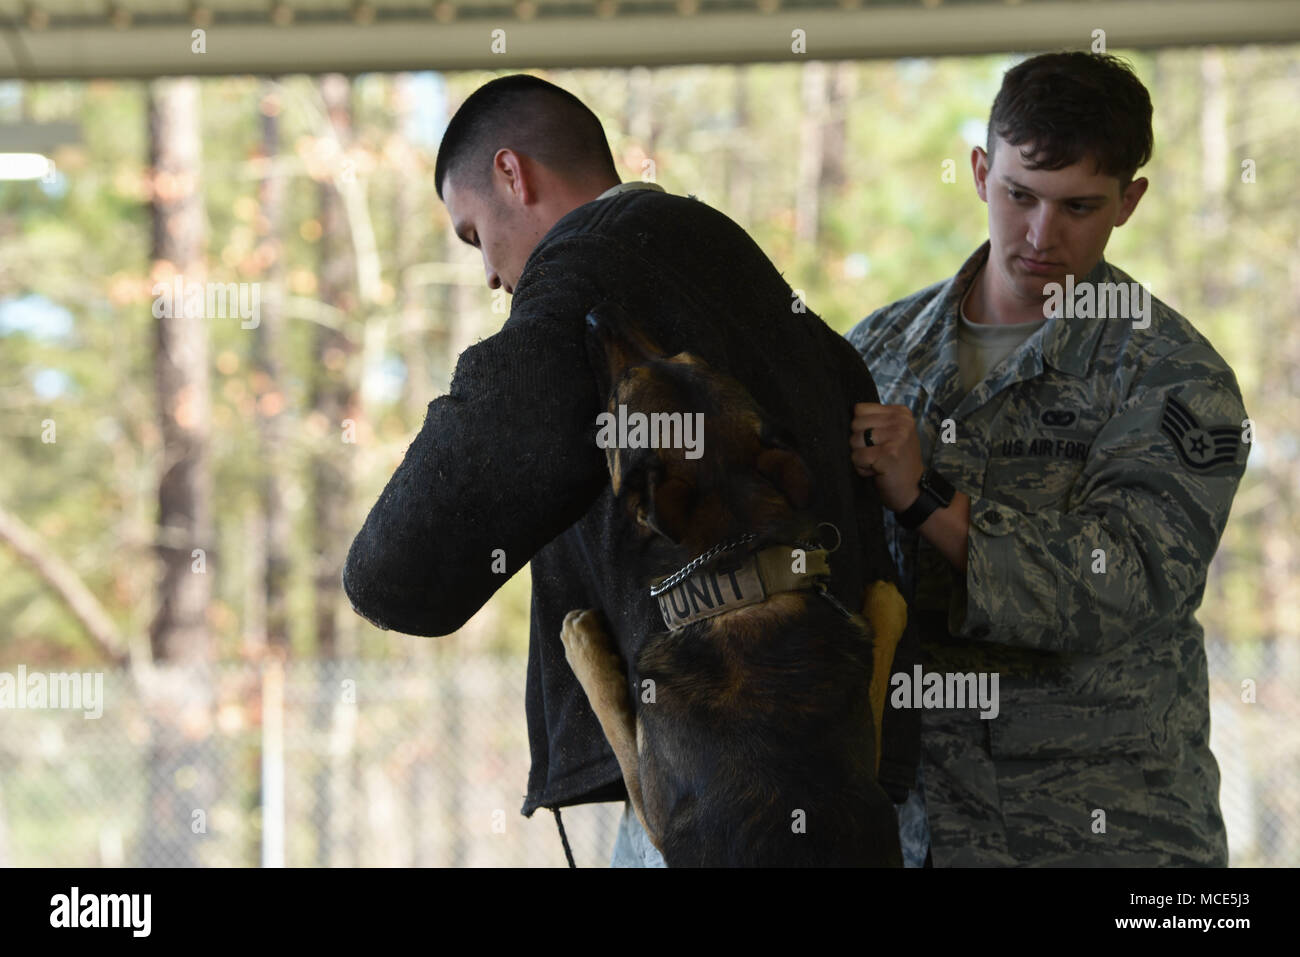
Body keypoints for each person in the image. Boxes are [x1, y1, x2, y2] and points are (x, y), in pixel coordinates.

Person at [342, 74, 914, 867]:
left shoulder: (582, 278)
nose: (490, 277)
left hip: (711, 801)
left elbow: (397, 575)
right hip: (844, 800)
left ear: (514, 173)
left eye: (475, 236)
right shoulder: (774, 305)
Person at [846, 51, 1249, 866]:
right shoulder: (879, 351)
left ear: (1129, 201)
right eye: (1019, 195)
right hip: (916, 832)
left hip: (1113, 836)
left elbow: (1121, 583)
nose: (1039, 235)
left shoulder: (1173, 377)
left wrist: (926, 501)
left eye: (1078, 207)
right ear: (980, 170)